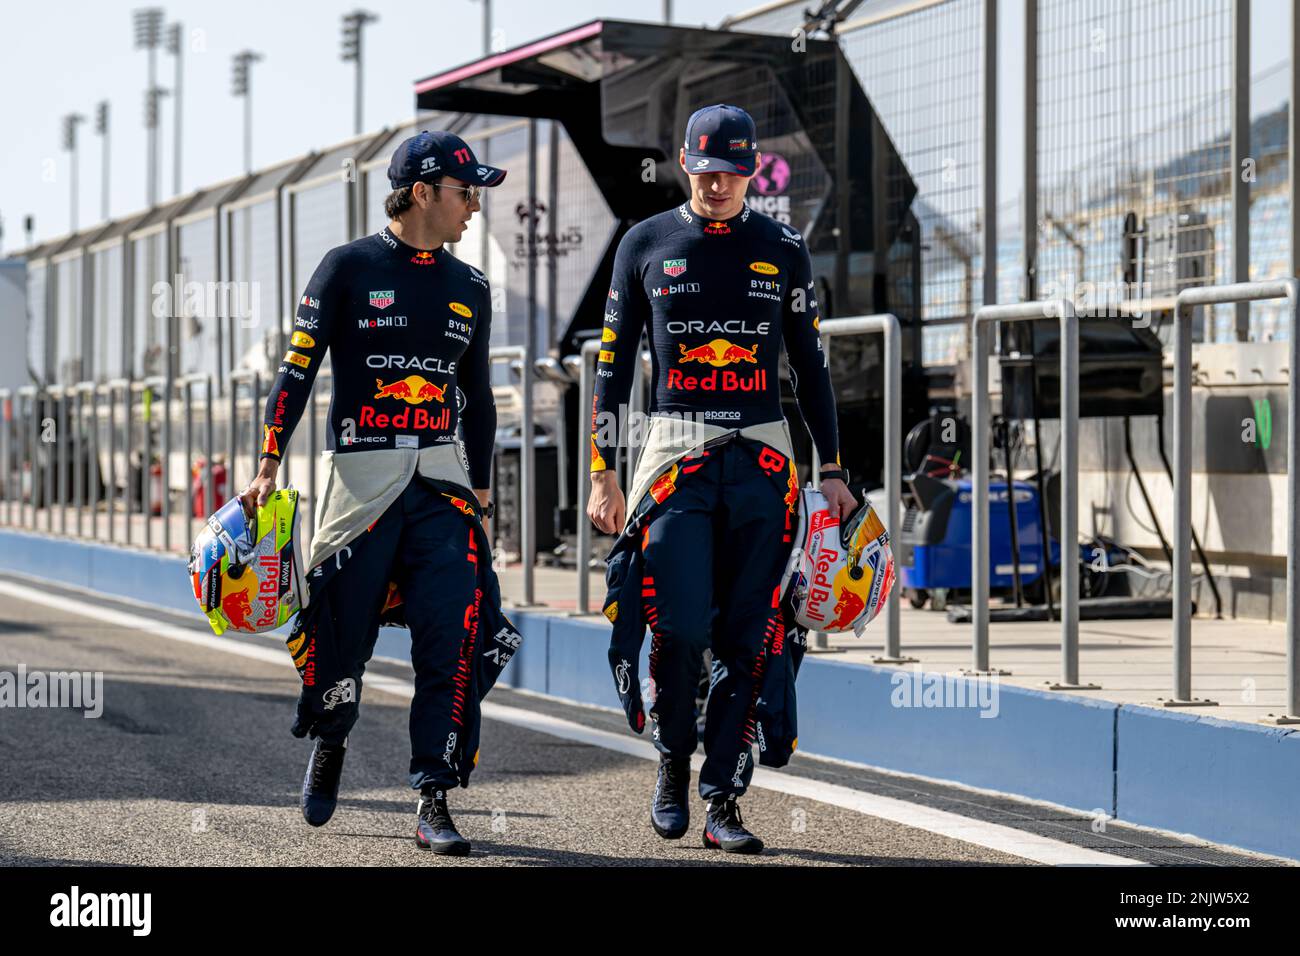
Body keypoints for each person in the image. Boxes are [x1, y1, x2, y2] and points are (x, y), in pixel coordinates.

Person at [587, 104, 857, 854]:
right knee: (676, 629)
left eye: (731, 170)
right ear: (683, 161)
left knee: (753, 634)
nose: (716, 183)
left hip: (765, 456)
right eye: (705, 169)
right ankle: (673, 765)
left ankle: (724, 799)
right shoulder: (644, 242)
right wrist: (602, 473)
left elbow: (810, 366)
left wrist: (832, 468)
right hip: (676, 452)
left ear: (752, 169)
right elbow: (612, 371)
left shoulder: (783, 246)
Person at [241, 130, 518, 856]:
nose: (474, 208)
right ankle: (331, 735)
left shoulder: (471, 286)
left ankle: (434, 794)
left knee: (455, 633)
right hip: (360, 477)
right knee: (341, 633)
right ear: (422, 193)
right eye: (466, 193)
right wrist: (268, 463)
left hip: (443, 487)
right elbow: (295, 370)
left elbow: (480, 399)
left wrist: (482, 492)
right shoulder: (347, 268)